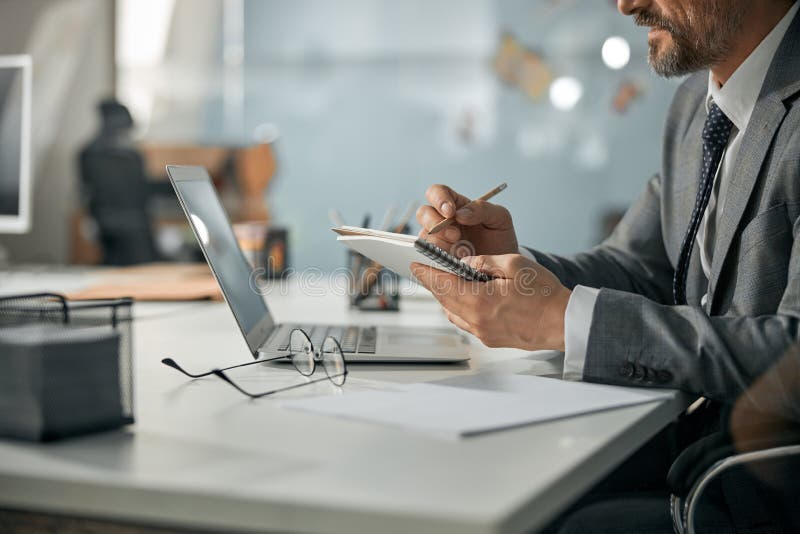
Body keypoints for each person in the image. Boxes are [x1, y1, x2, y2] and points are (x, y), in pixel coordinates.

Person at [412, 0, 800, 531]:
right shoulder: (694, 106)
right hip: (698, 452)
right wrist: (508, 265)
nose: (627, 5)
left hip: (761, 491)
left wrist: (565, 320)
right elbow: (640, 267)